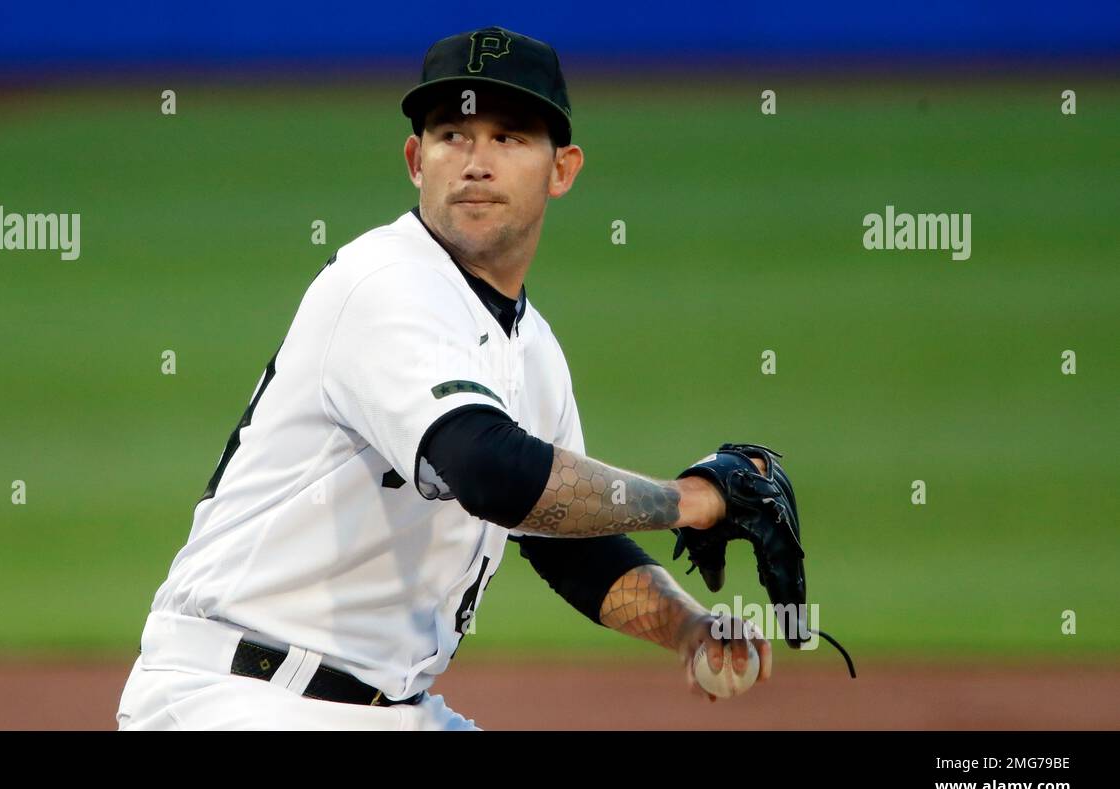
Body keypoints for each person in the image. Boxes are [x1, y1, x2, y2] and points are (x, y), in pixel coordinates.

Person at [116, 25, 771, 731]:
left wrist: (690, 625)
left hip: (385, 710)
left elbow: (570, 545)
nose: (475, 162)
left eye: (508, 136)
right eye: (451, 135)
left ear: (563, 170)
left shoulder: (534, 350)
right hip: (238, 700)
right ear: (414, 160)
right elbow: (491, 471)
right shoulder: (386, 282)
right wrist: (695, 500)